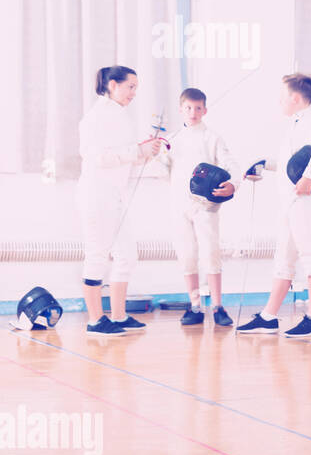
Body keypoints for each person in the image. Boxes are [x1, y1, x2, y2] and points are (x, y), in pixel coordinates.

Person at [236, 73, 311, 338]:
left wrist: (309, 177)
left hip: (306, 204)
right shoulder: (295, 125)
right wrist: (264, 165)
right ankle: (269, 318)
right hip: (291, 204)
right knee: (284, 260)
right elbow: (289, 164)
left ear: (294, 98)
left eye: (282, 97)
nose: (279, 102)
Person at [77, 66, 164, 336]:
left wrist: (145, 152)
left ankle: (118, 316)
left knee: (127, 254)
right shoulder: (96, 117)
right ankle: (94, 321)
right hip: (96, 195)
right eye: (130, 87)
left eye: (136, 88)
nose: (134, 93)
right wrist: (136, 150)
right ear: (113, 85)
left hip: (115, 196)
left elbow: (124, 156)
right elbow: (97, 157)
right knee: (97, 256)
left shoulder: (120, 117)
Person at [155, 87, 241, 326]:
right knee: (187, 256)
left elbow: (231, 164)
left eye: (198, 108)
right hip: (179, 206)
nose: (193, 113)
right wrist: (157, 154)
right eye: (188, 108)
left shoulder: (211, 137)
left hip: (205, 207)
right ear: (181, 109)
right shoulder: (170, 141)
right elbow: (162, 173)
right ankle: (194, 306)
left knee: (211, 254)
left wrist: (233, 184)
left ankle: (217, 307)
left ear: (205, 110)